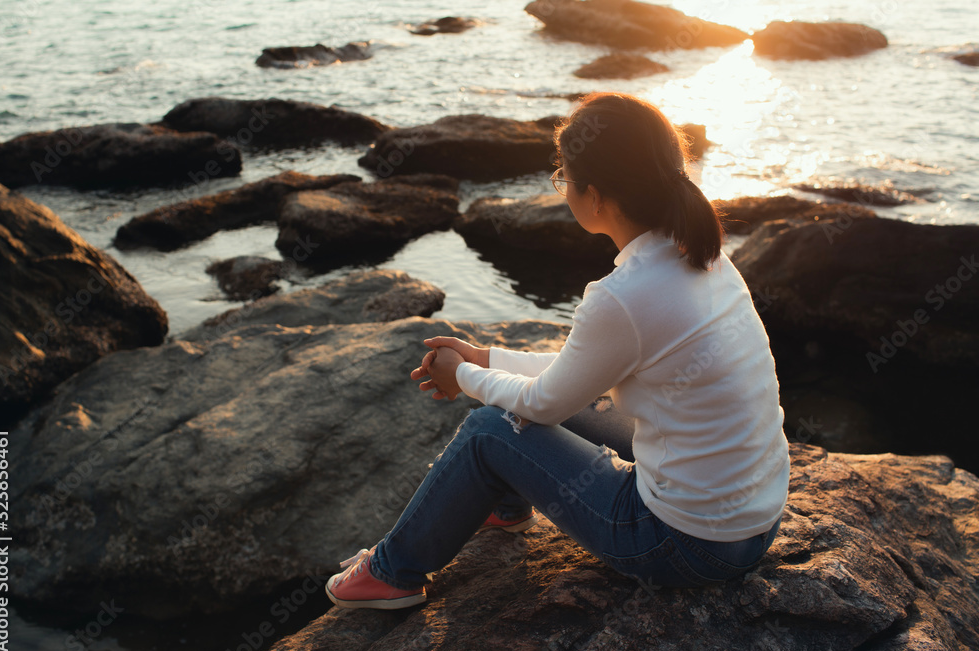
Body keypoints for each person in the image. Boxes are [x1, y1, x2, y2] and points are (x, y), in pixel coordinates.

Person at [325, 92, 790, 610]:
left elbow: (547, 404)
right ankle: (503, 498)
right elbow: (575, 378)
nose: (561, 189)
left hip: (679, 545)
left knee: (489, 428)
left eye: (563, 178)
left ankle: (392, 572)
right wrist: (484, 359)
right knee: (512, 401)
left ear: (596, 197)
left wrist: (463, 378)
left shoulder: (623, 296)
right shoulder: (706, 257)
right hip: (753, 525)